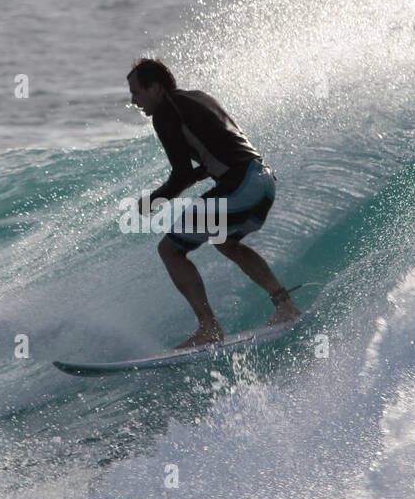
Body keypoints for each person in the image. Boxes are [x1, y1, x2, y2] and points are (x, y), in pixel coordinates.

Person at [127, 58, 301, 349]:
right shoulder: (200, 99)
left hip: (241, 184)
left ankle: (209, 328)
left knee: (170, 250)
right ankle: (285, 305)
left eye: (136, 92)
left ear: (155, 88)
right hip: (263, 182)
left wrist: (152, 201)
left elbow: (181, 174)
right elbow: (216, 157)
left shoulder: (166, 112)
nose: (134, 101)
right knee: (226, 242)